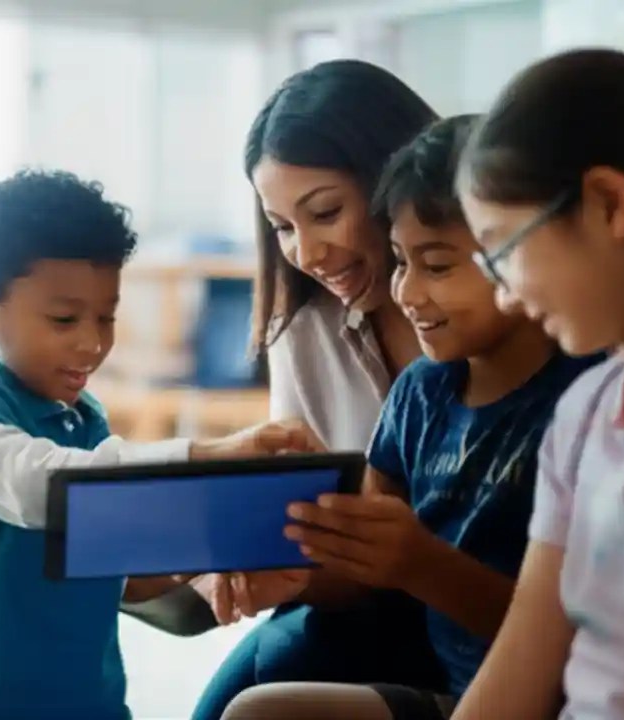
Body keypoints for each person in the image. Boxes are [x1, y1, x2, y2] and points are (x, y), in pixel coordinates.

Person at [219, 116, 601, 720]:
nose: (408, 291)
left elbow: (564, 635)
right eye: (401, 261)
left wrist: (423, 563)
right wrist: (295, 576)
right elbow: (365, 568)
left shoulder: (586, 399)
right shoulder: (421, 394)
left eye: (439, 265)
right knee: (256, 707)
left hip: (560, 697)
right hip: (454, 694)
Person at [0, 169, 304, 720]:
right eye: (64, 319)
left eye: (106, 317)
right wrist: (207, 455)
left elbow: (113, 570)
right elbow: (37, 486)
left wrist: (222, 562)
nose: (92, 343)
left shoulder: (85, 419)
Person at [453, 50, 624, 720]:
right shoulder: (584, 412)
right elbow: (520, 663)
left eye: (503, 251)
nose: (505, 297)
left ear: (608, 203)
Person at [186, 60, 442, 720]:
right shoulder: (303, 331)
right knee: (259, 676)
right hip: (364, 607)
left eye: (325, 211)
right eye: (281, 226)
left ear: (397, 179)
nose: (304, 251)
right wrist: (256, 563)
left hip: (470, 613)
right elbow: (326, 545)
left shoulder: (502, 321)